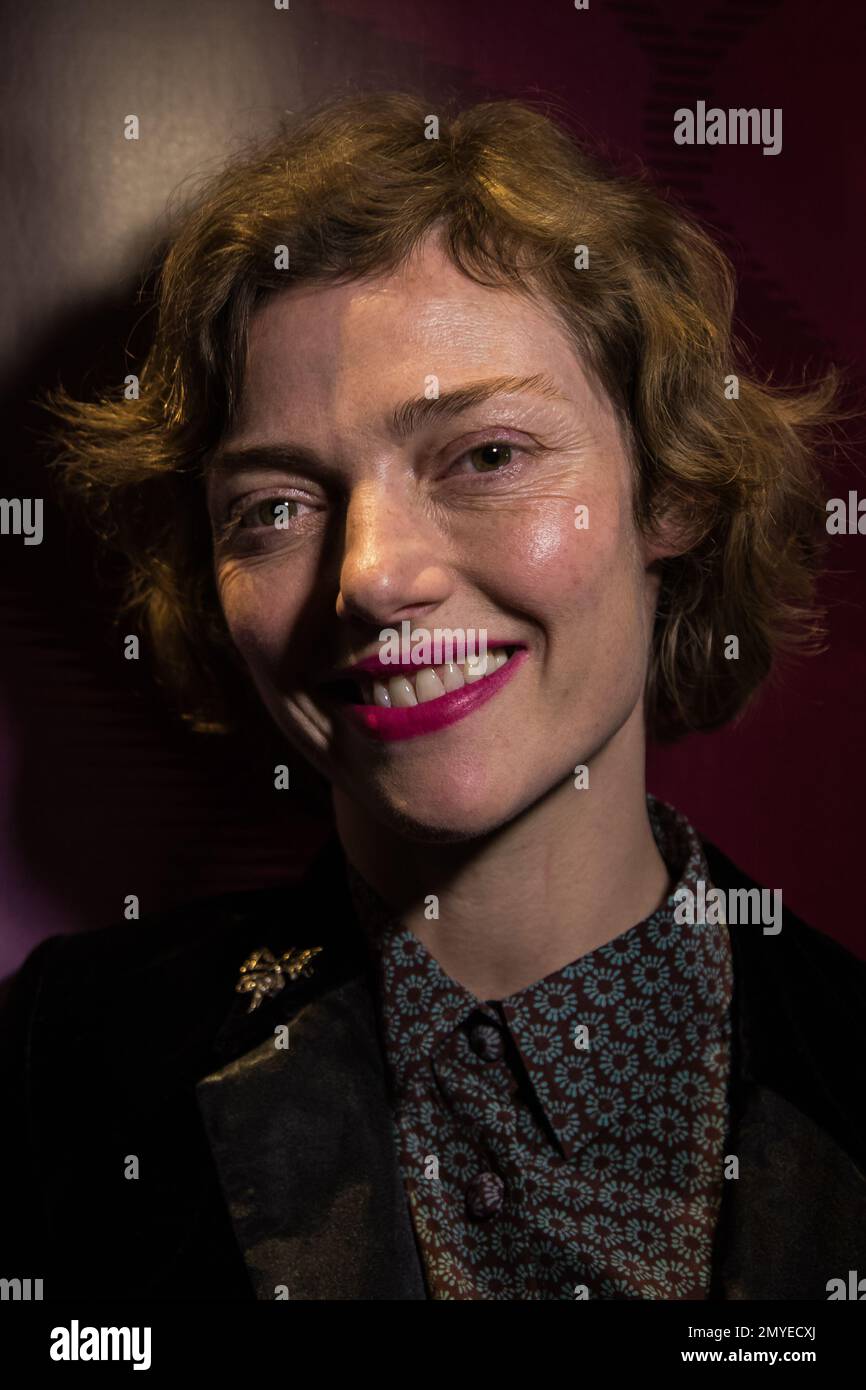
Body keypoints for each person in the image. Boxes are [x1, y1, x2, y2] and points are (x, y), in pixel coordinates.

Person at [1, 90, 863, 1302]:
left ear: (669, 494)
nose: (369, 577)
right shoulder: (62, 1067)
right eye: (276, 507)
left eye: (486, 456)